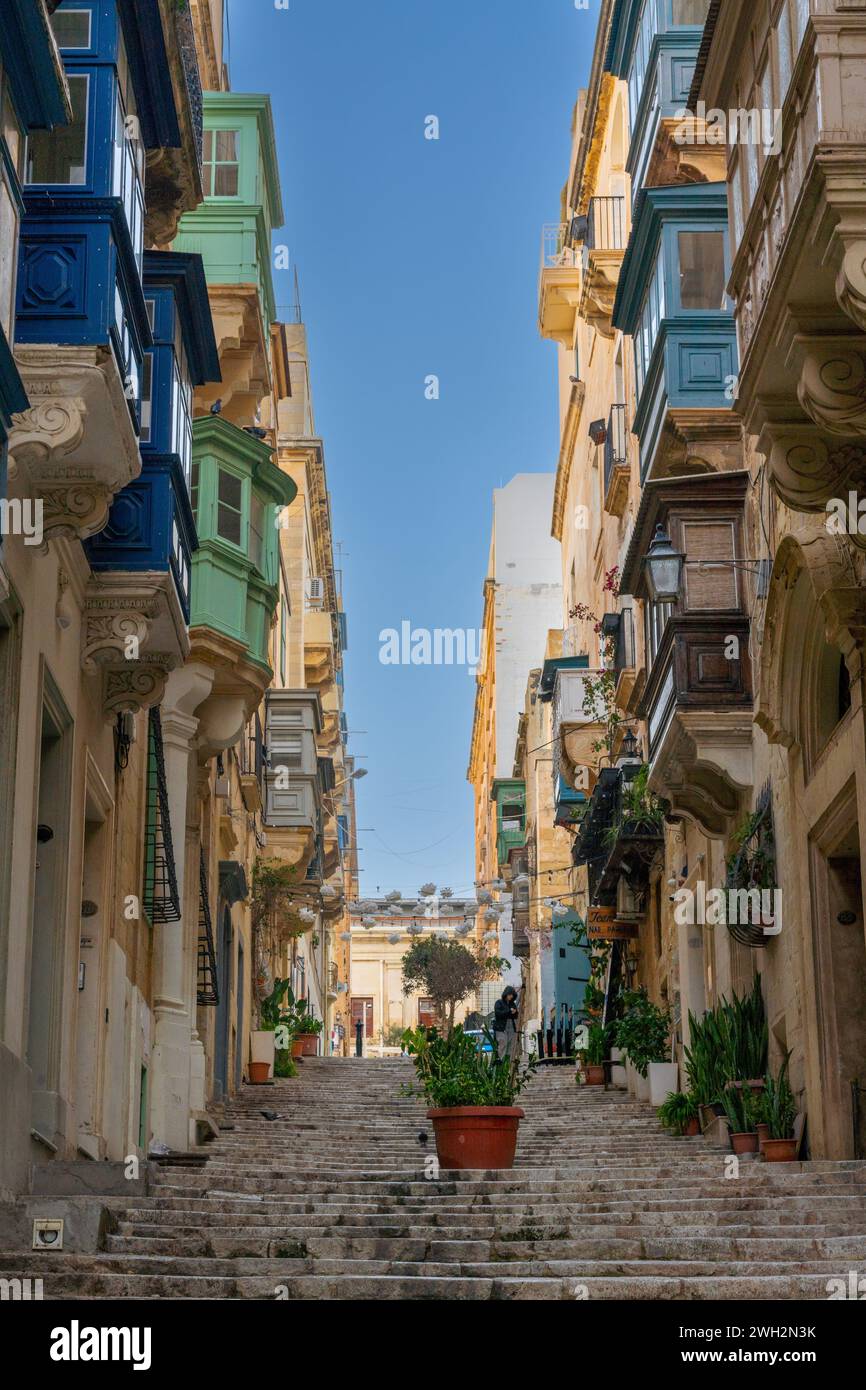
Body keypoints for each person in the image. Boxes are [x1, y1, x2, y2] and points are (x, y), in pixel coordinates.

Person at [493, 986, 519, 1060]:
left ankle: (508, 1063)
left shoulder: (512, 1004)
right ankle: (500, 1061)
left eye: (512, 995)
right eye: (510, 994)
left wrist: (515, 1012)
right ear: (506, 994)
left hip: (511, 1026)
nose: (511, 996)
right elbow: (498, 1013)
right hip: (501, 1027)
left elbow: (516, 1016)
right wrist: (509, 1011)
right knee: (503, 1043)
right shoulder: (499, 1003)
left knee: (511, 1045)